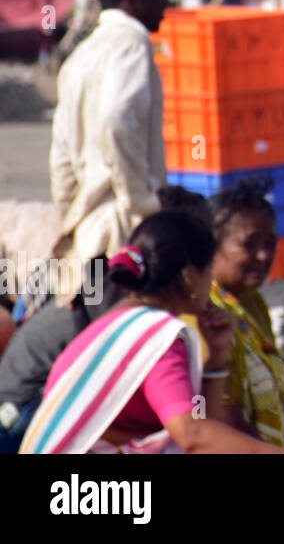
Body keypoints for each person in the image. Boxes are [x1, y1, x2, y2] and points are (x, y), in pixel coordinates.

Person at [19, 212, 284, 454]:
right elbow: (192, 436)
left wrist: (216, 362)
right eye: (209, 272)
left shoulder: (122, 323)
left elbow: (200, 423)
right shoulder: (156, 338)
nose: (211, 284)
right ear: (189, 276)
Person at [0, 187, 209, 453]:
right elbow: (191, 433)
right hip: (21, 409)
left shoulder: (128, 292)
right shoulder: (147, 327)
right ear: (189, 272)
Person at [47, 0, 170, 300]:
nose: (166, 3)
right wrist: (142, 204)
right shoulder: (132, 43)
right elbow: (118, 121)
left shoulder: (80, 55)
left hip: (87, 238)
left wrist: (72, 214)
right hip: (122, 238)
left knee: (92, 323)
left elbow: (61, 155)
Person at [207, 178, 284, 451]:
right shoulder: (208, 313)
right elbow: (225, 416)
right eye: (250, 244)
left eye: (270, 244)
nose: (264, 256)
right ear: (213, 247)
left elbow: (283, 390)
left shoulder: (252, 302)